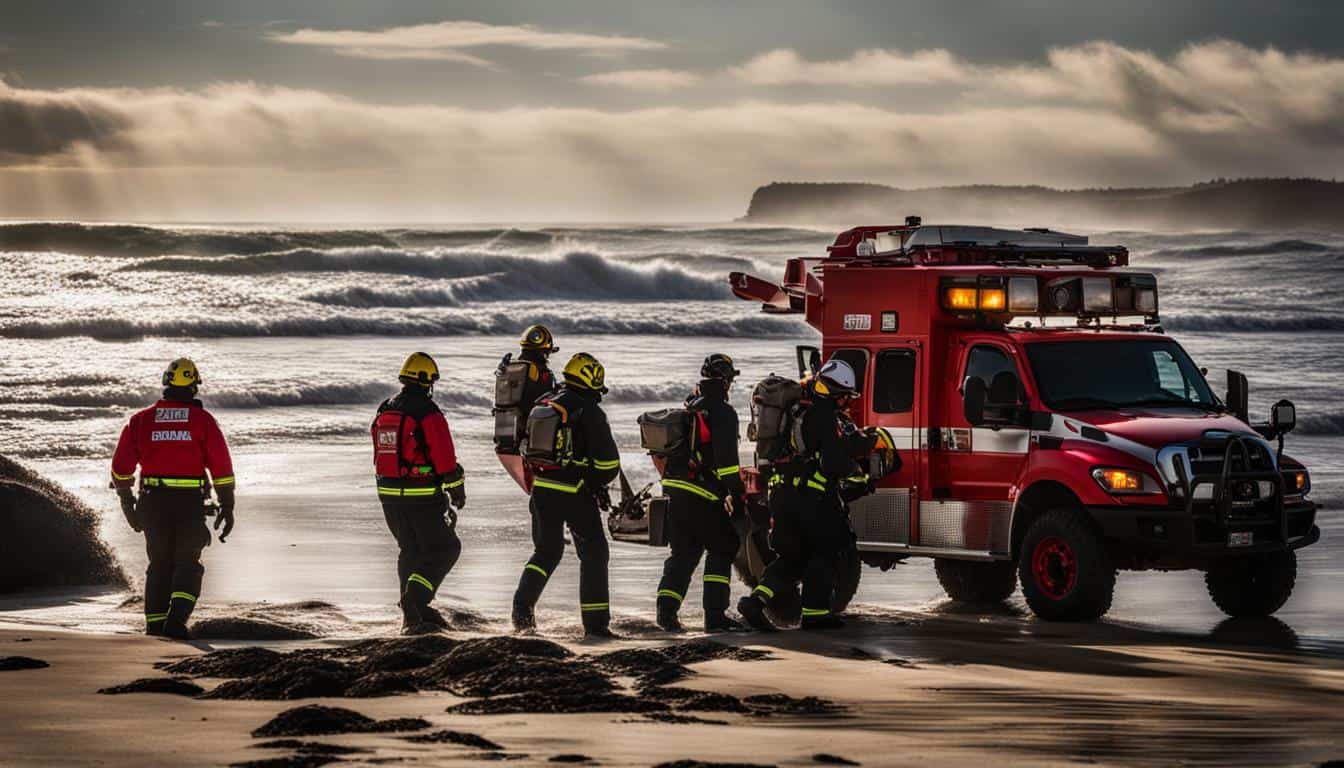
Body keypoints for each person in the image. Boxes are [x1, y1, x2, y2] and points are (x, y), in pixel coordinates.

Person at [737, 359, 869, 631]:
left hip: (781, 495)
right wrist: (858, 473)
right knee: (826, 550)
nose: (847, 403)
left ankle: (756, 602)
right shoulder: (823, 416)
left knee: (792, 557)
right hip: (811, 499)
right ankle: (815, 614)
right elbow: (832, 463)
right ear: (837, 393)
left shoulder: (796, 411)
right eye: (846, 398)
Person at [111, 358, 235, 640]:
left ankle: (154, 625)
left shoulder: (140, 420)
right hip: (189, 504)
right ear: (194, 387)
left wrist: (126, 501)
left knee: (159, 564)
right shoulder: (203, 421)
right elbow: (221, 468)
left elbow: (121, 468)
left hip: (152, 502)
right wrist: (227, 504)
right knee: (187, 562)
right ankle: (176, 622)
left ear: (166, 383)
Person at [512, 352, 621, 638]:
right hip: (574, 493)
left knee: (546, 552)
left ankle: (521, 611)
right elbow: (609, 465)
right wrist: (594, 483)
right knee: (595, 553)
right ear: (593, 379)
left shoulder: (545, 402)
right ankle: (596, 625)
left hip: (542, 490)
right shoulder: (589, 410)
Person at [372, 352, 466, 635]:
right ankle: (414, 601)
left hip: (388, 493)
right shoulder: (428, 412)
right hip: (421, 494)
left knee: (410, 549)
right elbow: (443, 457)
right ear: (428, 381)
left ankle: (412, 617)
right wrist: (456, 488)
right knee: (445, 549)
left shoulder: (384, 408)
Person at [655, 353, 747, 633]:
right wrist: (738, 495)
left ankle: (666, 613)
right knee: (723, 546)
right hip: (703, 493)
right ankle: (715, 616)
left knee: (683, 553)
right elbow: (728, 463)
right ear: (725, 381)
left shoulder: (689, 406)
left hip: (674, 488)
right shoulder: (722, 412)